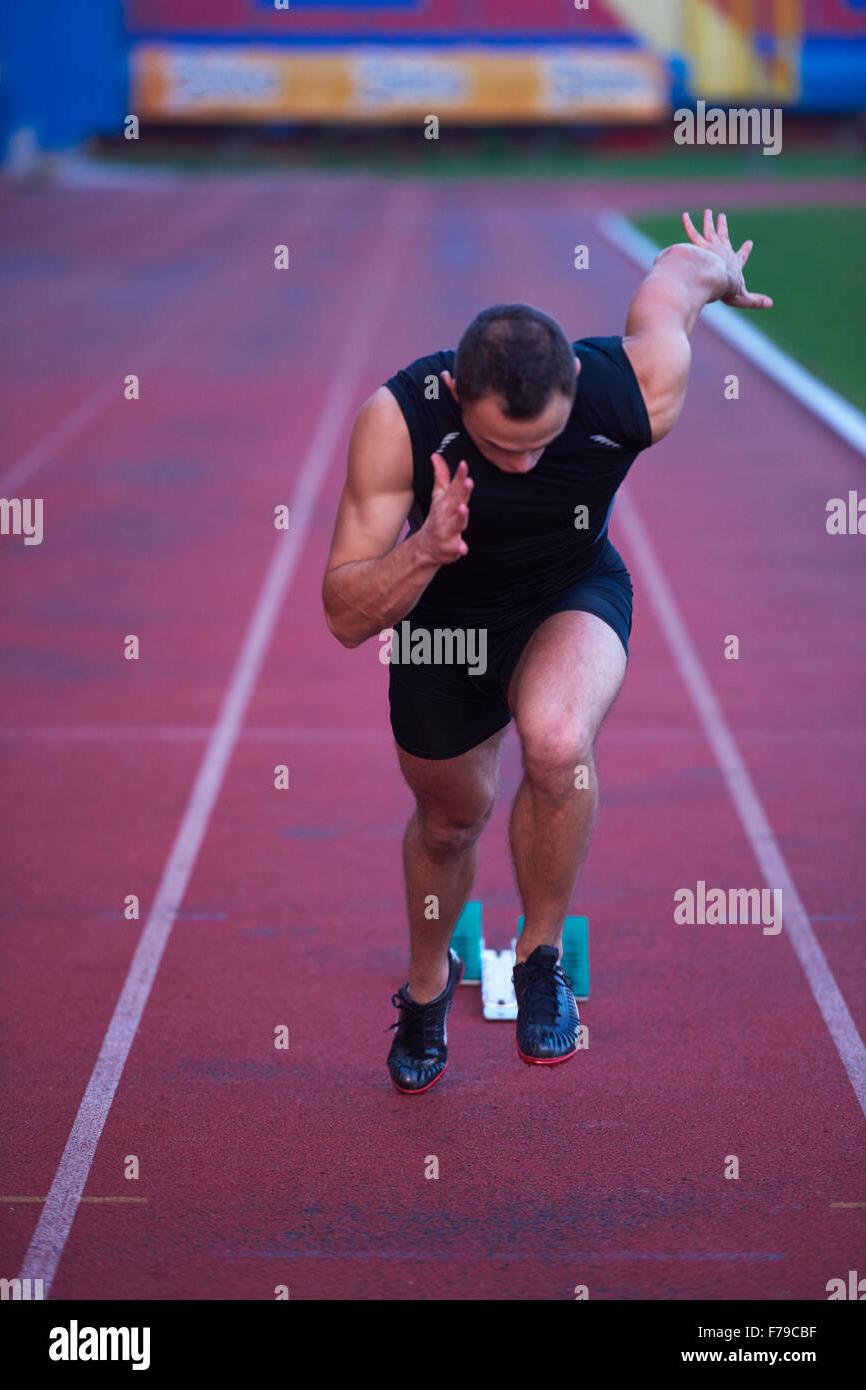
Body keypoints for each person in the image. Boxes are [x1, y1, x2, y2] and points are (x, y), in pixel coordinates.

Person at [322, 210, 772, 1093]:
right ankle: (425, 989)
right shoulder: (398, 420)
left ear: (574, 384)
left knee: (558, 743)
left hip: (569, 594)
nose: (521, 467)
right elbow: (343, 614)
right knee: (451, 820)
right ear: (456, 394)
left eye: (539, 444)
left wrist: (714, 270)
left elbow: (671, 289)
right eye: (497, 448)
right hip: (442, 622)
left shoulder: (631, 389)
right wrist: (422, 550)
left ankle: (538, 960)